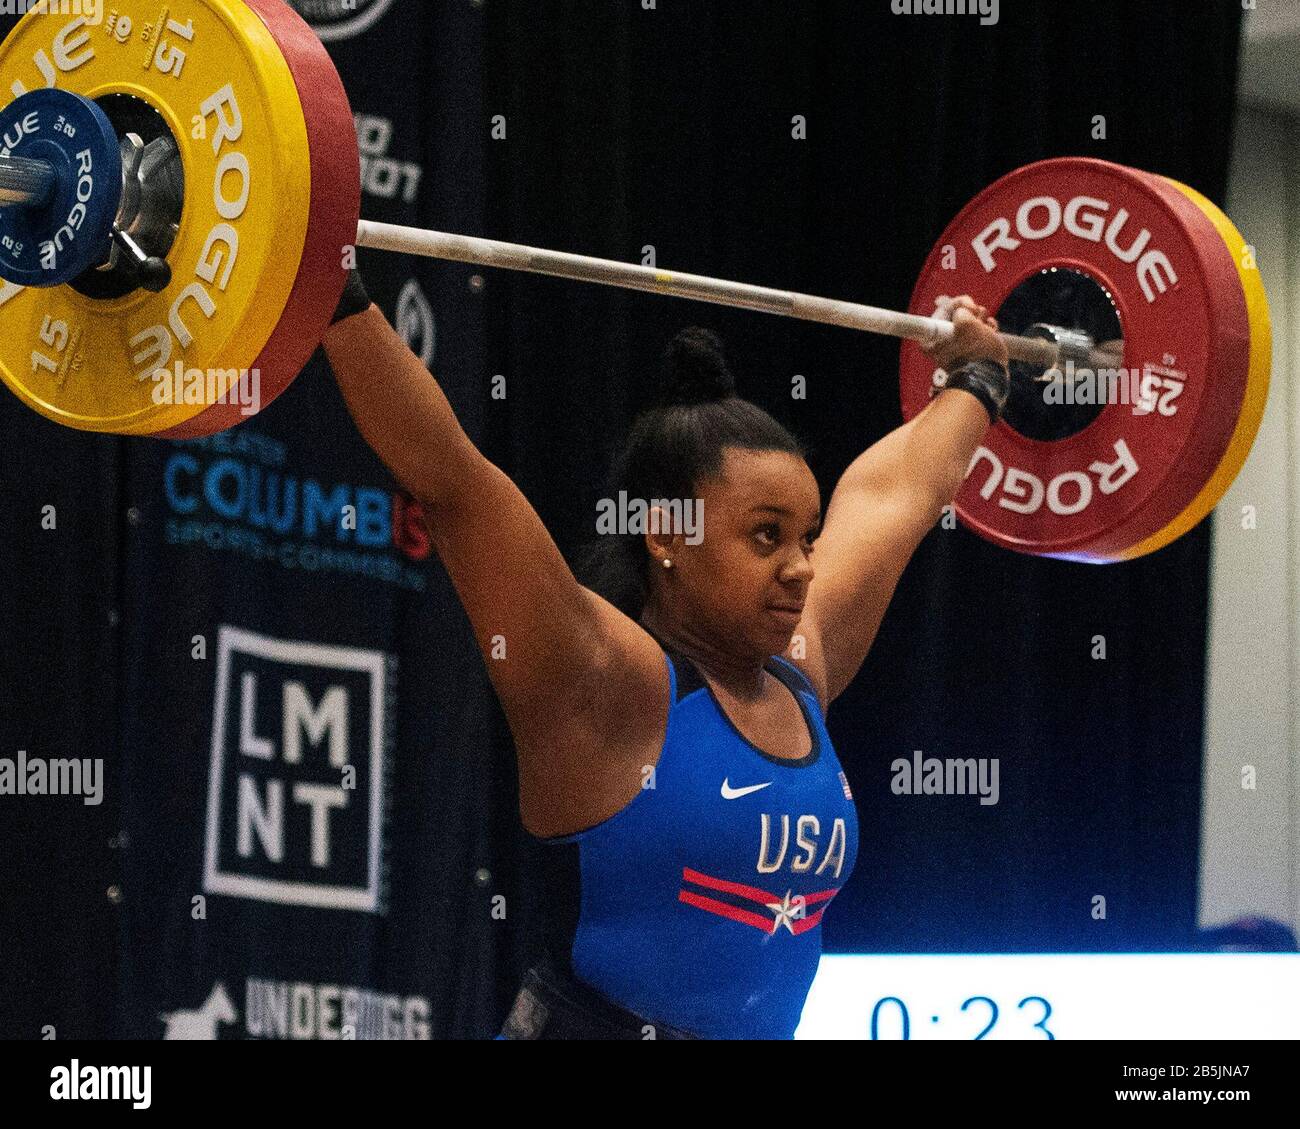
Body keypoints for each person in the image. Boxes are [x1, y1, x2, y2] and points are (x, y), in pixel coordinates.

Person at [323, 273, 1009, 1039]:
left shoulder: (800, 667)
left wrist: (979, 377)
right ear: (665, 535)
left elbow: (899, 494)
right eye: (765, 535)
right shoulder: (606, 679)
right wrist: (332, 292)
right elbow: (454, 482)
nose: (802, 566)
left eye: (807, 535)